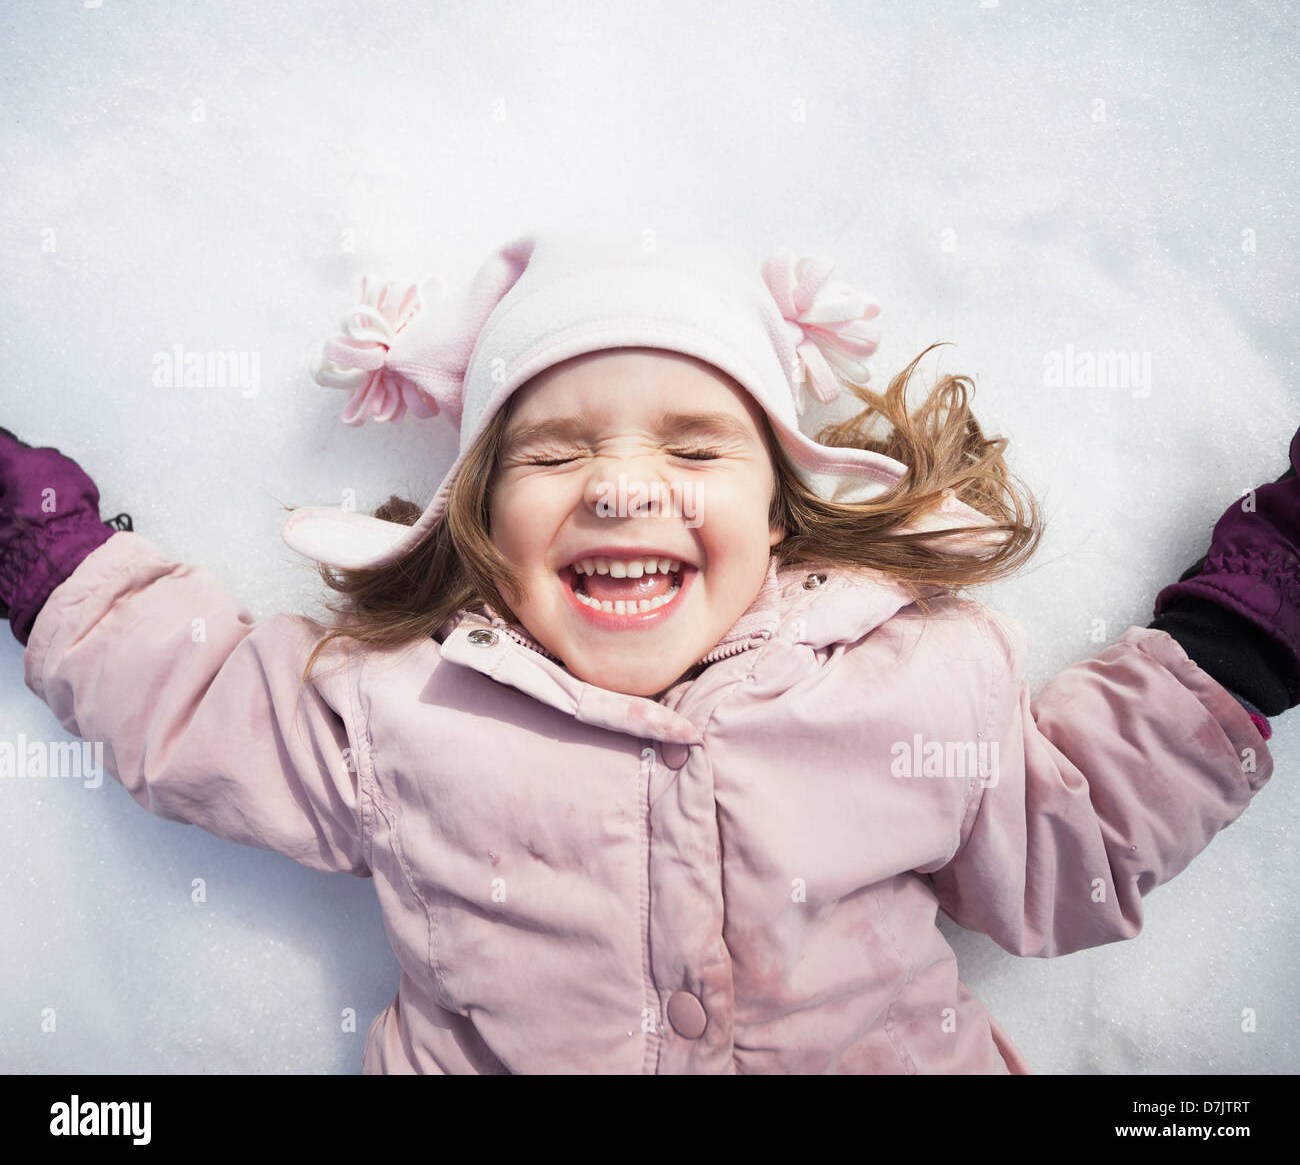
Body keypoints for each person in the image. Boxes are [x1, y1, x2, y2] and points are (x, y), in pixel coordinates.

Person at [2, 228, 1294, 1074]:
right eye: (556, 452)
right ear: (478, 516)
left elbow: (1074, 832)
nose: (622, 488)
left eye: (693, 447)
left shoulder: (913, 682)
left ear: (783, 508)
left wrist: (1248, 622)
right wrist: (52, 550)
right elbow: (202, 703)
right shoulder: (404, 709)